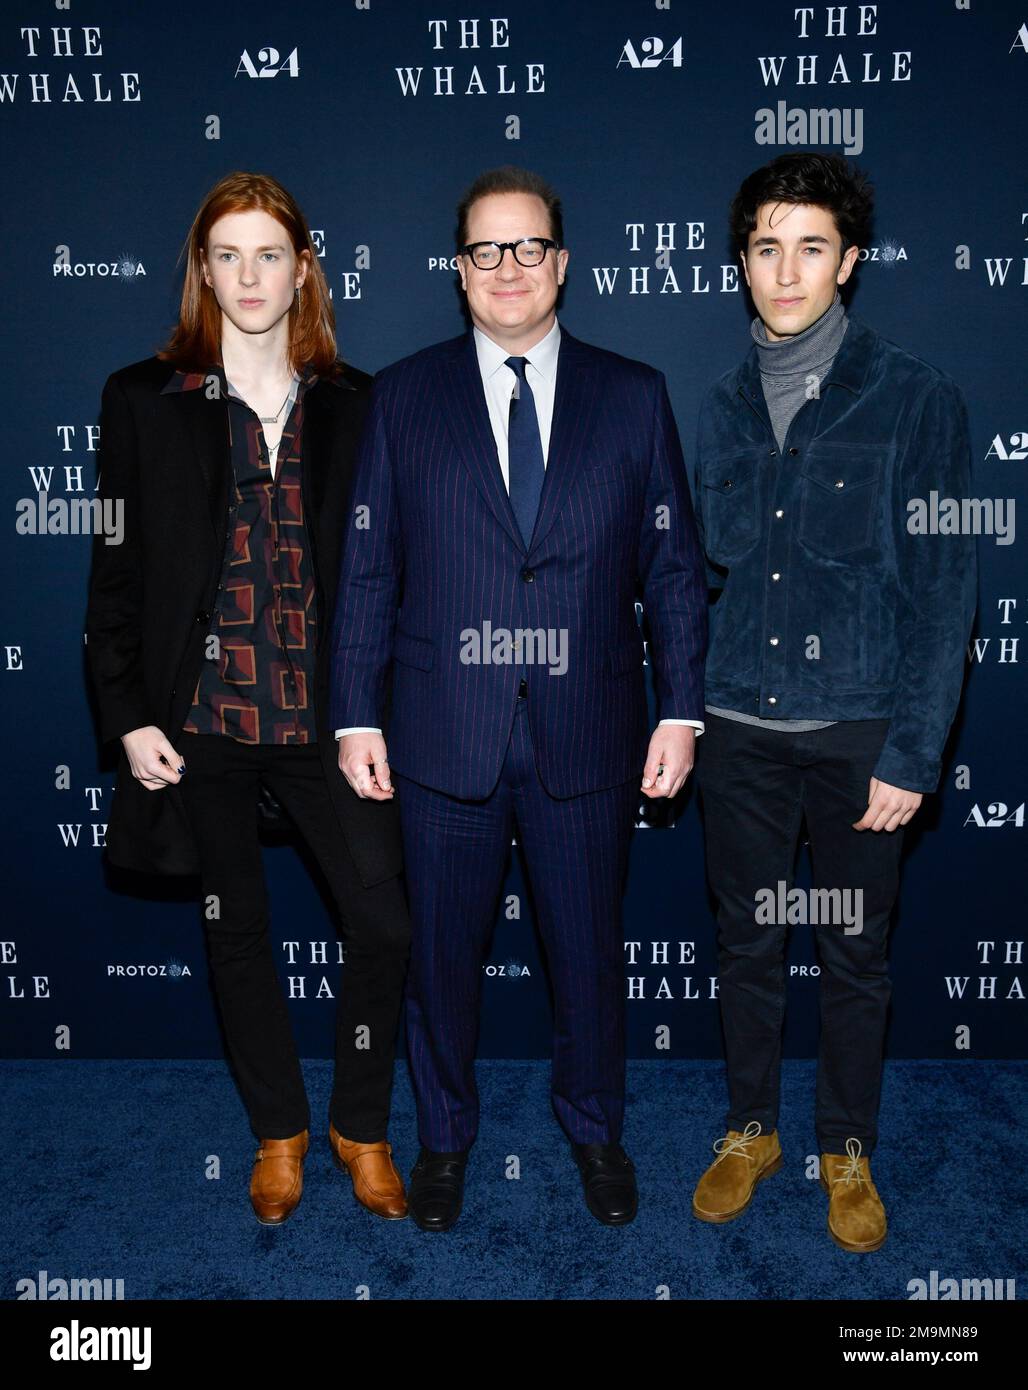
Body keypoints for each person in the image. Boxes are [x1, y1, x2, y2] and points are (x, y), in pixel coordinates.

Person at [330, 165, 708, 1231]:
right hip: (439, 735)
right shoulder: (400, 396)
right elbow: (368, 570)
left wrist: (678, 706)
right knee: (438, 960)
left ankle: (594, 1129)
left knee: (587, 955)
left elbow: (671, 569)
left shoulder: (632, 395)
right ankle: (443, 1137)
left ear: (562, 265)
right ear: (458, 271)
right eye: (485, 249)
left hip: (587, 735)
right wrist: (354, 711)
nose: (507, 268)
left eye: (527, 247)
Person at [85, 171, 411, 1227]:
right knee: (235, 928)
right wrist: (128, 714)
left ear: (303, 266)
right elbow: (116, 573)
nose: (249, 274)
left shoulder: (357, 404)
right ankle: (278, 1129)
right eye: (227, 254)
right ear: (202, 269)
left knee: (382, 920)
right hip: (203, 722)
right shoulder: (145, 398)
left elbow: (386, 577)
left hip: (328, 718)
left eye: (269, 252)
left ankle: (358, 1125)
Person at [690, 152, 977, 1252]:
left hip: (859, 734)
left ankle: (843, 1145)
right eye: (765, 246)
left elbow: (945, 590)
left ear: (849, 260)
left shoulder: (914, 397)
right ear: (742, 264)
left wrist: (910, 752)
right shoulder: (715, 407)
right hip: (738, 733)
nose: (786, 268)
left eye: (810, 245)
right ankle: (750, 1127)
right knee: (748, 947)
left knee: (853, 953)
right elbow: (704, 579)